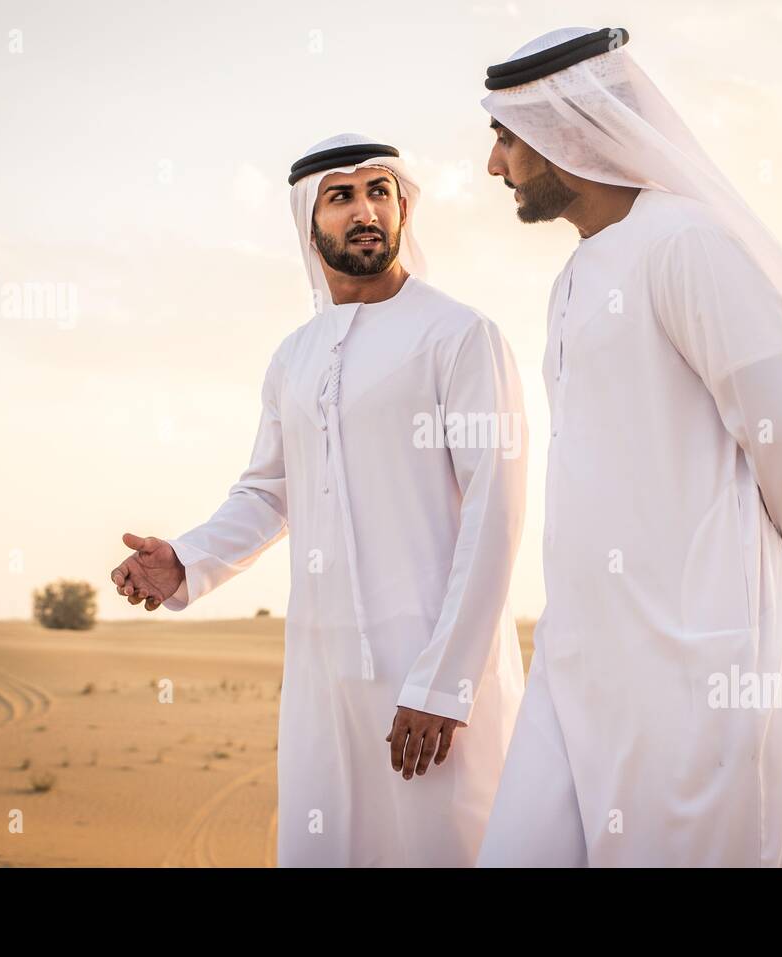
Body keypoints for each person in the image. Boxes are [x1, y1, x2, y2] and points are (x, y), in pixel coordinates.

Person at [476, 27, 782, 866]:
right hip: (579, 659)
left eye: (506, 137)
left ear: (566, 126)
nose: (494, 166)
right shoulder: (573, 278)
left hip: (701, 663)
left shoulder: (687, 243)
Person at [109, 133, 528, 866]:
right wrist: (187, 558)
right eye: (341, 197)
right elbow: (270, 491)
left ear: (403, 208)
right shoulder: (293, 357)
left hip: (429, 673)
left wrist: (445, 678)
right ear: (310, 222)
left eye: (379, 192)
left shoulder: (459, 336)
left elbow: (498, 505)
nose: (364, 211)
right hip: (321, 672)